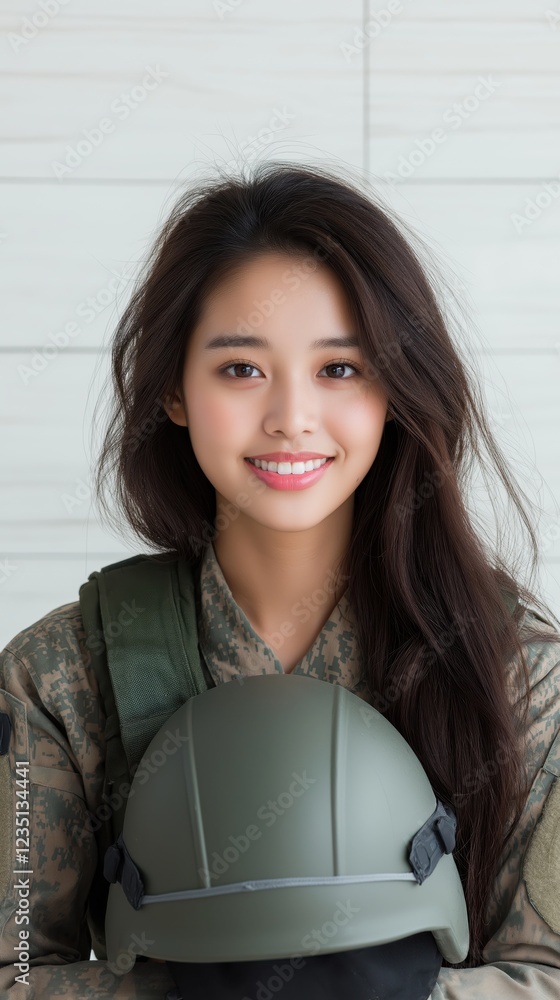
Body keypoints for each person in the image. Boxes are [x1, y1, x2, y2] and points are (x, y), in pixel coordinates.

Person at [0, 160, 559, 999]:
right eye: (240, 368)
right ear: (176, 391)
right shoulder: (59, 676)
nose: (292, 416)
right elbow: (13, 965)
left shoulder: (516, 669)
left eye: (340, 368)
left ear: (395, 392)